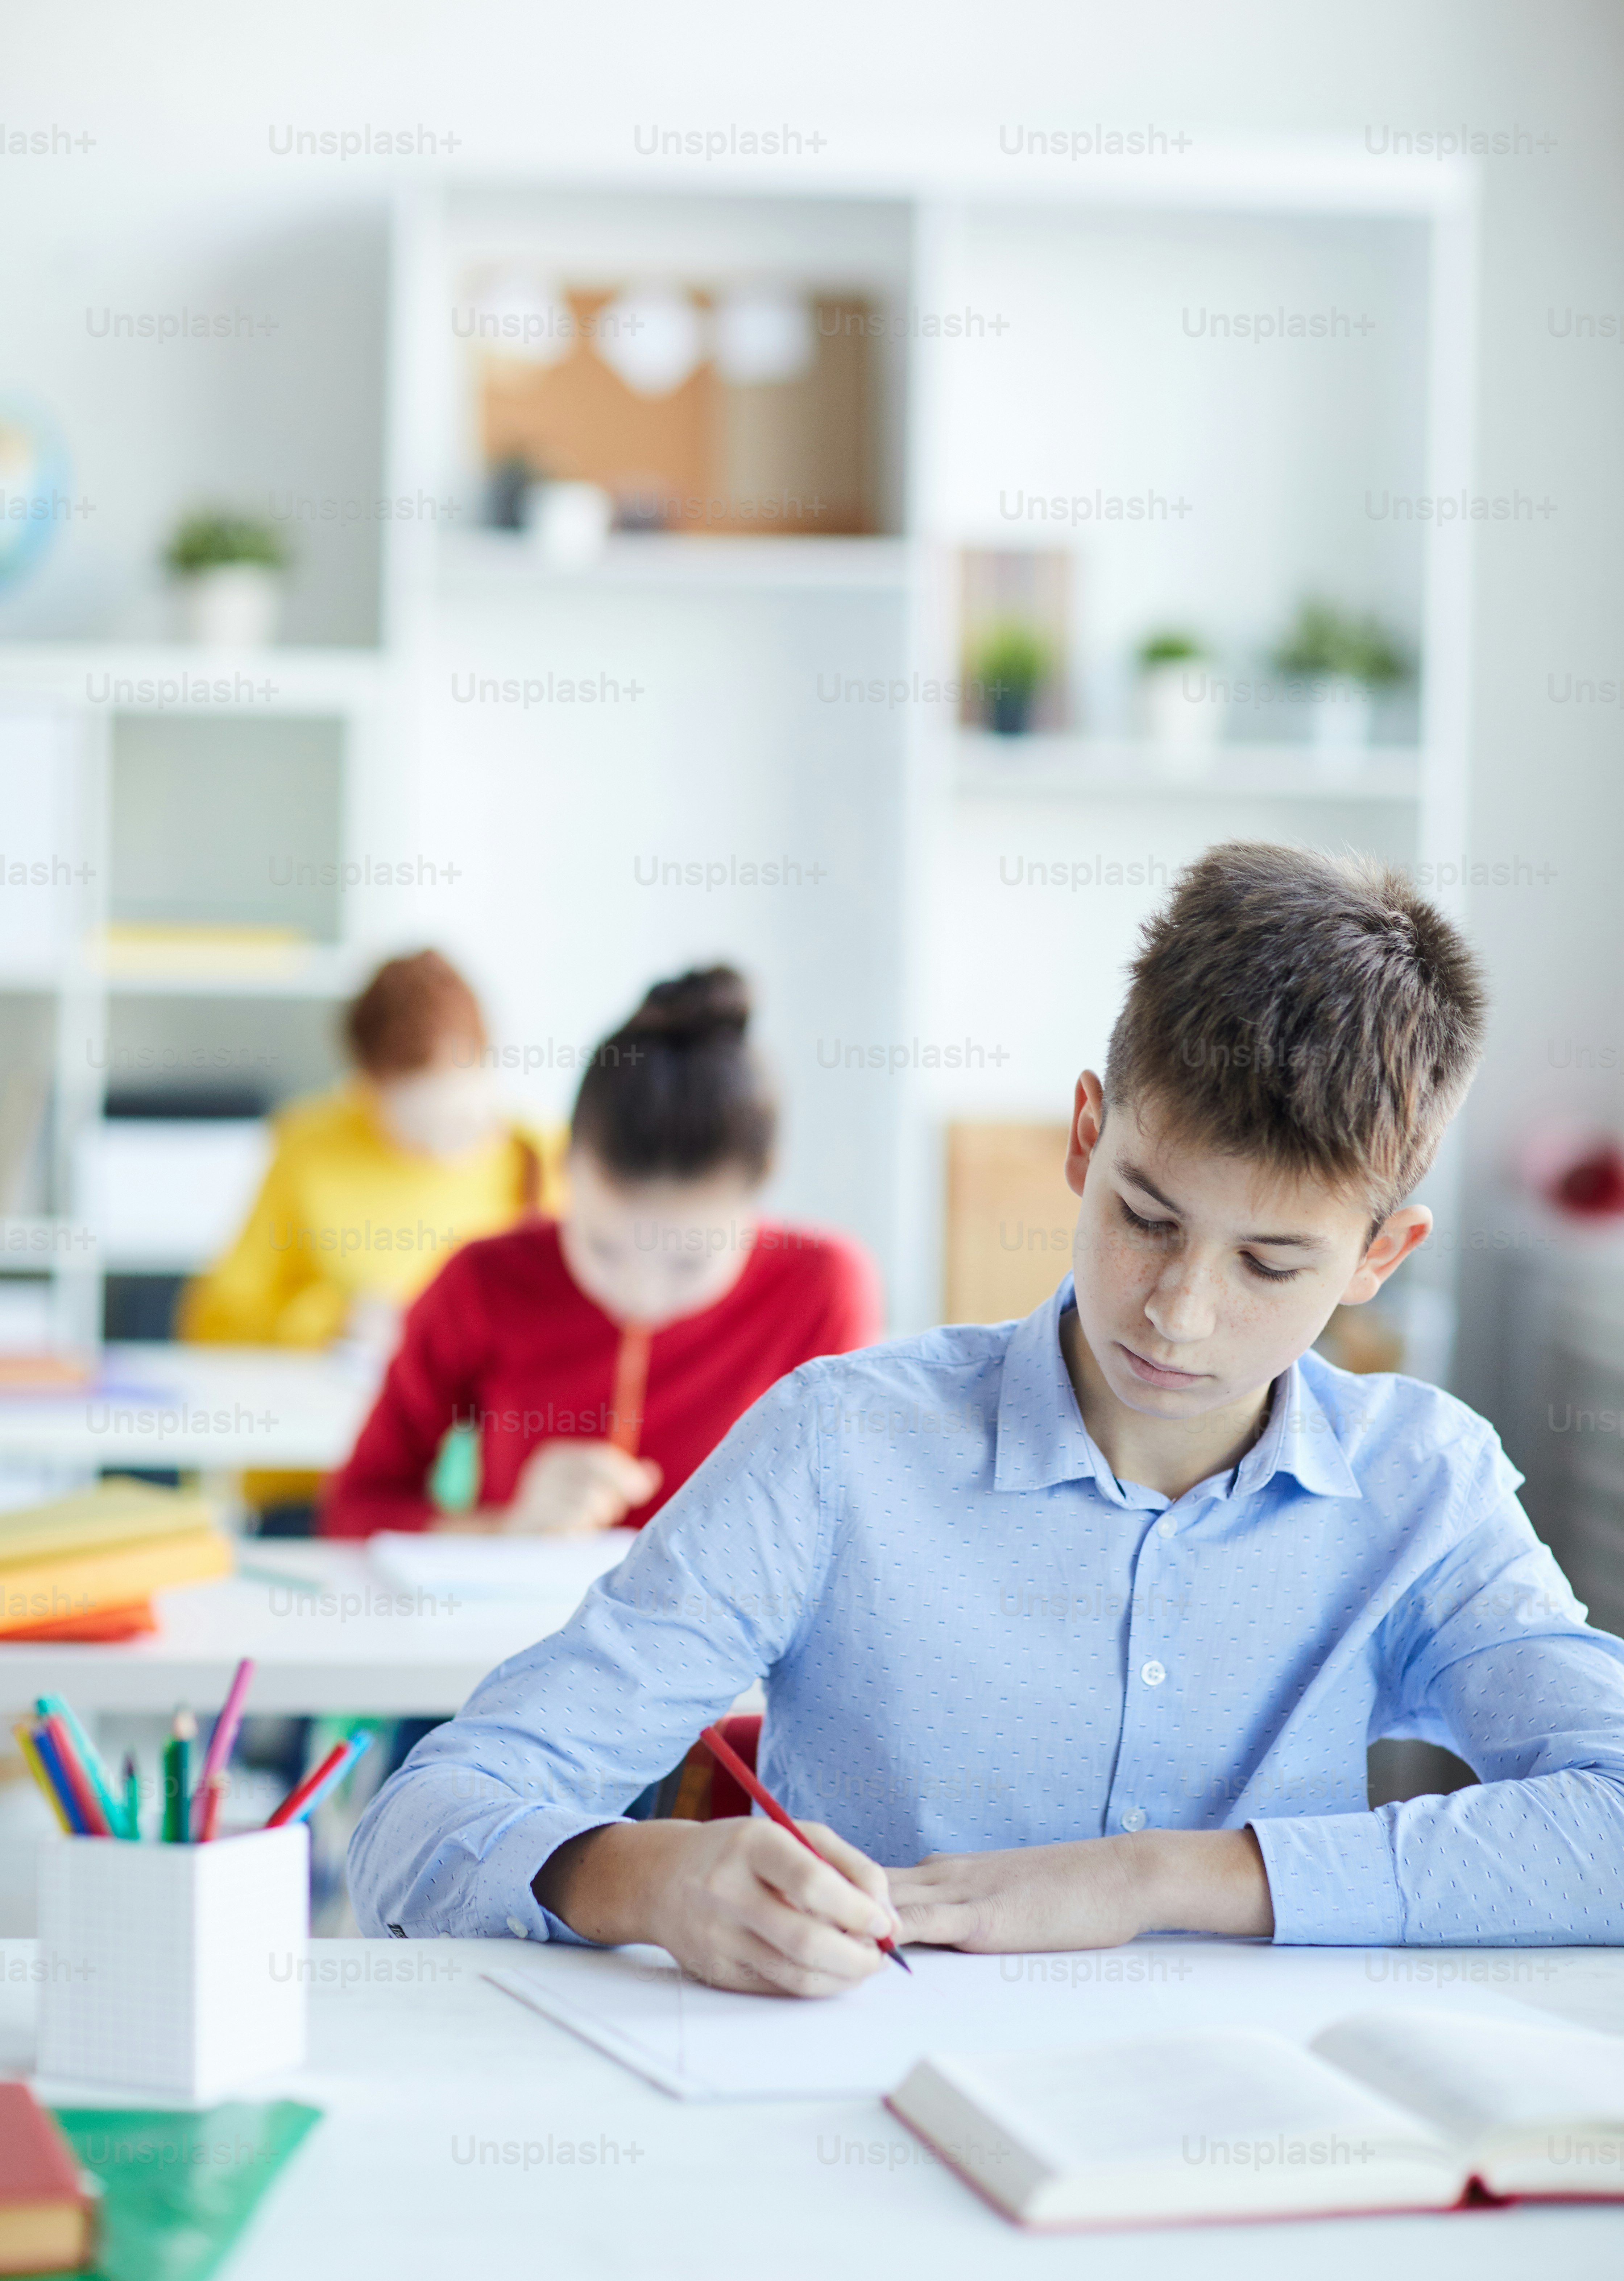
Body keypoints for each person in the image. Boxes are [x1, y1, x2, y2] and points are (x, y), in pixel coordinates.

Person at [348, 845, 1624, 1984]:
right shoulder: (841, 1447)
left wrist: (1161, 1879)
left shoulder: (1423, 1487)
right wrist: (643, 1878)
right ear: (1085, 1135)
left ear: (1379, 1258)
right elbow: (425, 1822)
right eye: (1146, 1216)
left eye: (1270, 1266)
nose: (1178, 1312)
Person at [320, 966, 882, 1538]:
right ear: (565, 1166)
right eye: (604, 1248)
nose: (640, 1293)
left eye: (688, 1262)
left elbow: (852, 1536)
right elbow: (355, 1510)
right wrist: (506, 1528)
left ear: (761, 1187)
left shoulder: (823, 1288)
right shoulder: (483, 1280)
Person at [181, 950, 564, 1528]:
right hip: (323, 1476)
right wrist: (336, 1321)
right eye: (421, 1120)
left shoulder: (542, 1159)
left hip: (491, 1492)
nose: (447, 1144)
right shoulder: (309, 1146)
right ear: (367, 1089)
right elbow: (216, 1319)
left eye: (463, 1118)